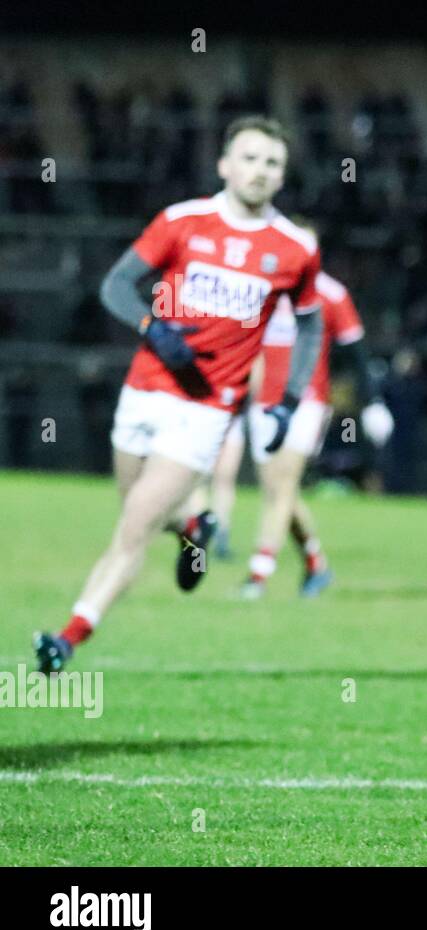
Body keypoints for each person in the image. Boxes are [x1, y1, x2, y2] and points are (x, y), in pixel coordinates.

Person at [32, 116, 324, 674]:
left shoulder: (295, 248)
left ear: (283, 177)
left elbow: (309, 326)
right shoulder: (182, 221)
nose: (260, 171)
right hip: (144, 391)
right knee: (135, 509)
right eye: (250, 157)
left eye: (273, 163)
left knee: (134, 526)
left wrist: (285, 399)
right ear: (224, 165)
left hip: (206, 410)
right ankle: (192, 528)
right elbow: (115, 285)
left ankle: (67, 637)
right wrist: (152, 329)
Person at [239, 267, 393, 598]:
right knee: (278, 490)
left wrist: (373, 402)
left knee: (281, 486)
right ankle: (316, 564)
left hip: (306, 402)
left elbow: (356, 352)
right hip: (262, 401)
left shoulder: (331, 293)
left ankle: (258, 574)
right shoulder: (261, 289)